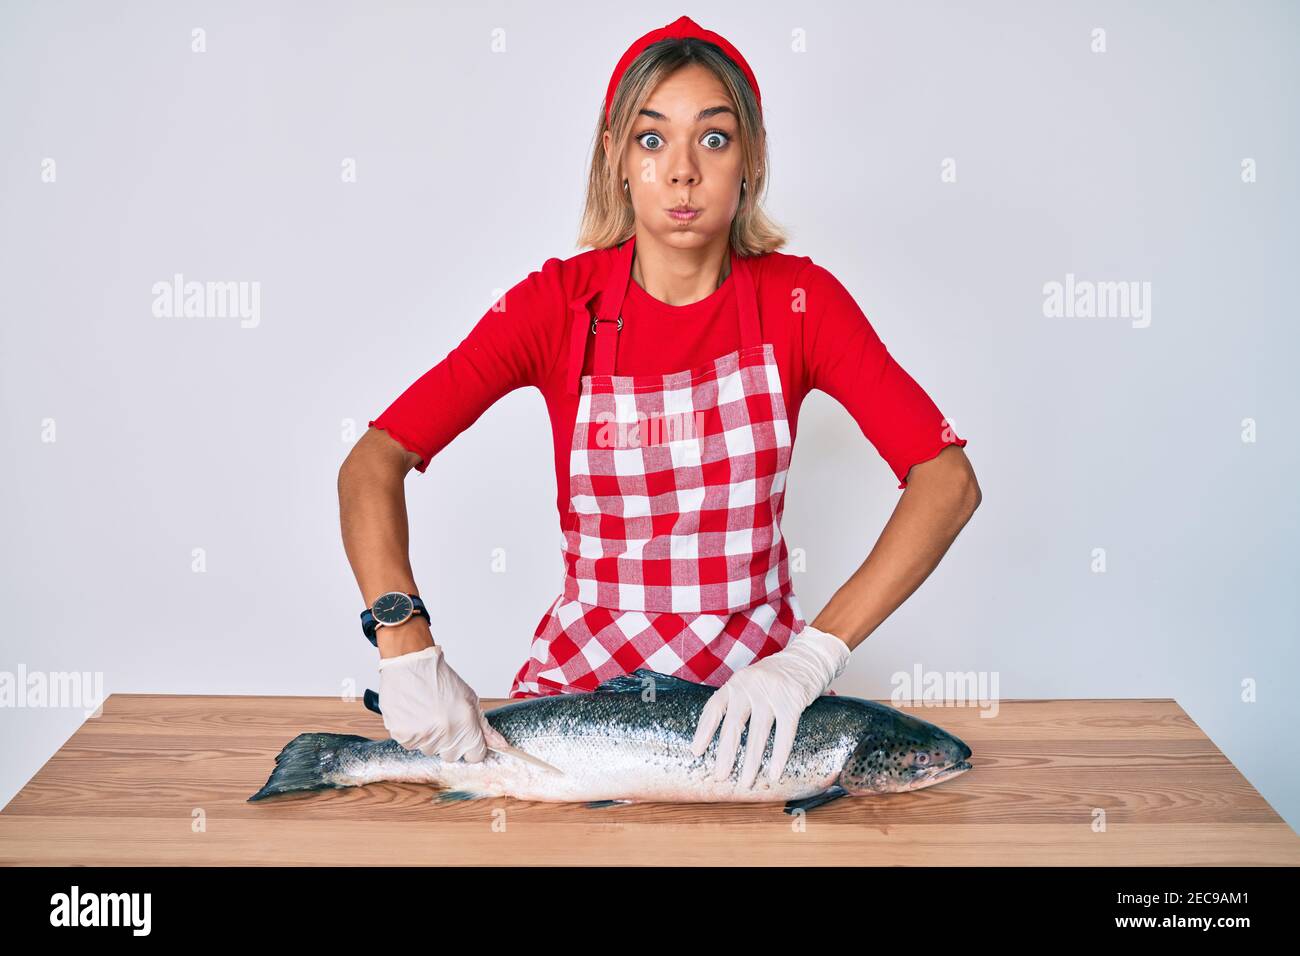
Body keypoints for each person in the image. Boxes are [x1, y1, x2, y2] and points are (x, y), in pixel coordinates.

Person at [337, 15, 981, 793]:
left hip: (760, 708)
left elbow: (946, 478)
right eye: (651, 140)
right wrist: (403, 641)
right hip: (579, 704)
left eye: (714, 139)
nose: (682, 171)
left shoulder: (802, 303)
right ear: (614, 158)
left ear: (752, 159)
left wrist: (813, 658)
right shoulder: (555, 306)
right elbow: (375, 459)